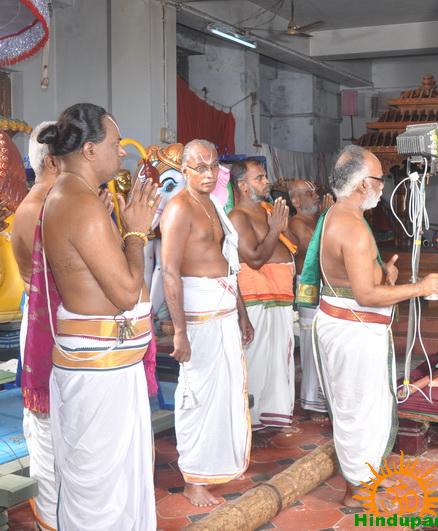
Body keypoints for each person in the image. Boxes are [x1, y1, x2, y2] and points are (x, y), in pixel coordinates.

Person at [298, 145, 438, 506]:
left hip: (340, 323)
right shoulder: (354, 229)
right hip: (353, 332)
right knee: (360, 411)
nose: (383, 186)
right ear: (364, 184)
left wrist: (386, 274)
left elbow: (354, 281)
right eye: (380, 179)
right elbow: (365, 294)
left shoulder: (334, 214)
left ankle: (360, 482)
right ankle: (357, 490)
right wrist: (421, 288)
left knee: (357, 407)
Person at [35, 103, 159, 529]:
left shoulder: (78, 196)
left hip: (105, 368)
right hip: (99, 373)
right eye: (115, 143)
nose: (122, 153)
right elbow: (126, 294)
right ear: (89, 150)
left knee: (115, 486)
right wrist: (137, 232)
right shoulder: (79, 203)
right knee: (103, 498)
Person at [160, 139, 253, 507]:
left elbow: (228, 264)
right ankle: (193, 478)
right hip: (198, 318)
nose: (208, 173)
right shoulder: (179, 208)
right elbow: (168, 270)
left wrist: (242, 312)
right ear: (184, 169)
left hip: (225, 310)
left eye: (213, 166)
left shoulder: (213, 203)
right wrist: (179, 331)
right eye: (199, 167)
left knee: (224, 396)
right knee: (197, 396)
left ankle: (214, 467)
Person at [10, 121, 59, 530]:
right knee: (45, 423)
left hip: (66, 322)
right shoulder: (33, 210)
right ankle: (52, 516)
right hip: (45, 323)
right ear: (54, 162)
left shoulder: (58, 204)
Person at [228, 159, 299, 435]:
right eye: (259, 178)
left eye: (265, 176)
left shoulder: (269, 210)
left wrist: (281, 225)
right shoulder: (238, 217)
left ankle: (274, 415)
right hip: (256, 297)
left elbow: (294, 249)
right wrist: (274, 229)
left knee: (280, 359)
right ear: (243, 186)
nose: (267, 181)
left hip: (280, 297)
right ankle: (251, 420)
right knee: (256, 360)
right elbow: (255, 259)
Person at [288, 179, 333, 422]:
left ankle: (325, 396)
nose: (316, 195)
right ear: (295, 201)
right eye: (308, 193)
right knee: (310, 342)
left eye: (315, 190)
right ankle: (311, 402)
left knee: (325, 340)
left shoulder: (317, 220)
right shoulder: (296, 222)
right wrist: (327, 216)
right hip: (307, 286)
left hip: (325, 285)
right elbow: (316, 248)